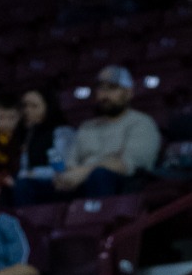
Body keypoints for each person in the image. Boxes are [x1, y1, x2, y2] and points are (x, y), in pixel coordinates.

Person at [51, 67, 160, 199]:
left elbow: (129, 165)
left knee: (100, 175)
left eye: (112, 88)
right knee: (29, 186)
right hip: (79, 184)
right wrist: (65, 177)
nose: (105, 94)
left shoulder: (141, 123)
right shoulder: (87, 126)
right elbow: (71, 162)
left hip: (119, 186)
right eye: (101, 88)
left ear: (129, 92)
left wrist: (84, 172)